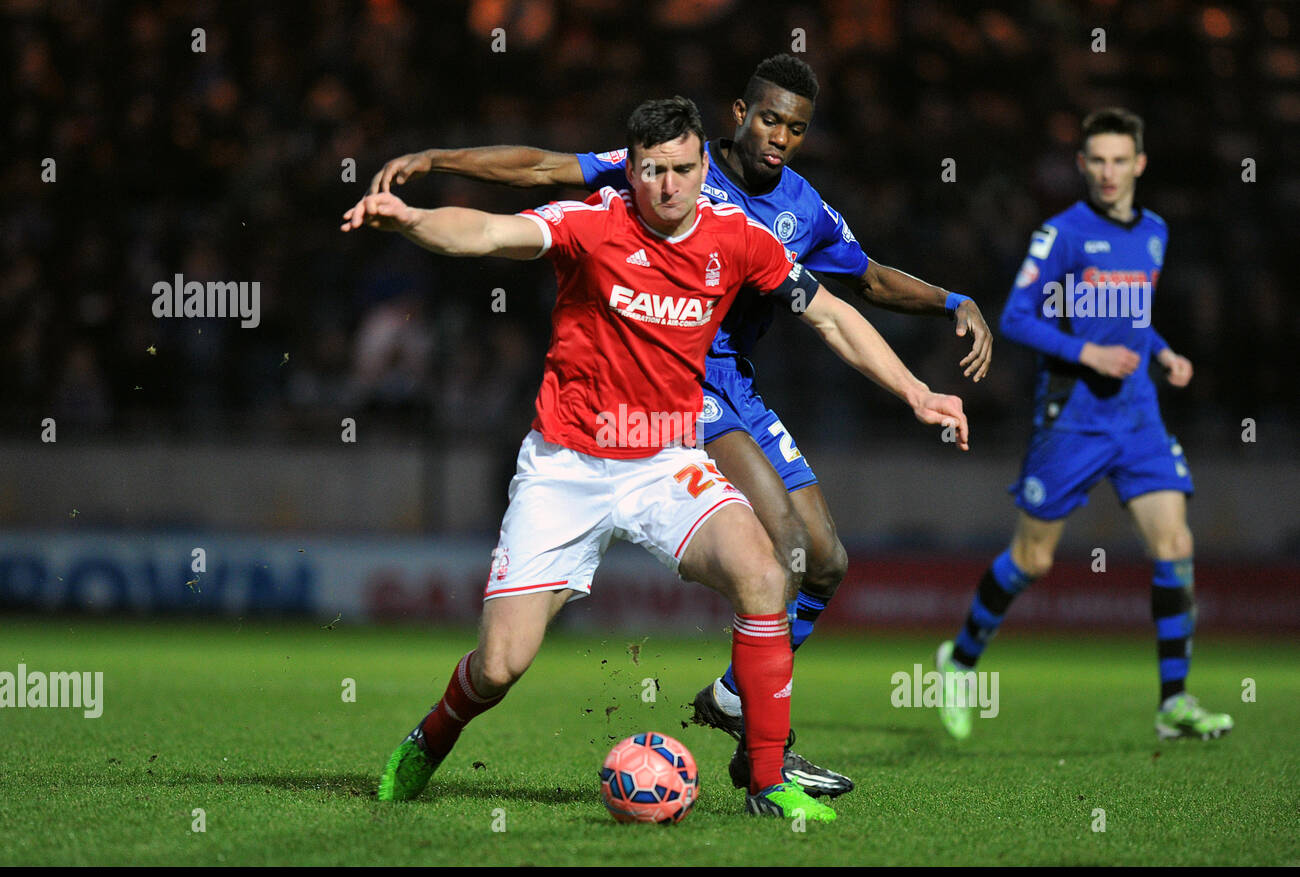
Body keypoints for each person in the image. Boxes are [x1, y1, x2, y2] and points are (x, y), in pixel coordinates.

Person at [366, 54, 992, 797]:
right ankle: (432, 735)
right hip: (573, 461)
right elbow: (494, 226)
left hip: (668, 448)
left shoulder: (752, 230)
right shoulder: (594, 219)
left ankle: (764, 770)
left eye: (682, 171)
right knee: (501, 666)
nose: (669, 185)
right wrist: (414, 215)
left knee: (794, 565)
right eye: (655, 171)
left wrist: (921, 386)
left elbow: (835, 309)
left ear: (702, 169)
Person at [935, 108, 1232, 741]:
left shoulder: (1154, 232)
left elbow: (1131, 316)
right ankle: (958, 661)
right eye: (1096, 160)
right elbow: (1015, 317)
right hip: (1071, 415)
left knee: (1175, 546)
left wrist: (1163, 352)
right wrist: (1087, 354)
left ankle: (1174, 702)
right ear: (1082, 165)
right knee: (1033, 558)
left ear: (1139, 164)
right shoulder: (1062, 234)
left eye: (1120, 160)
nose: (1108, 172)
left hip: (1138, 414)